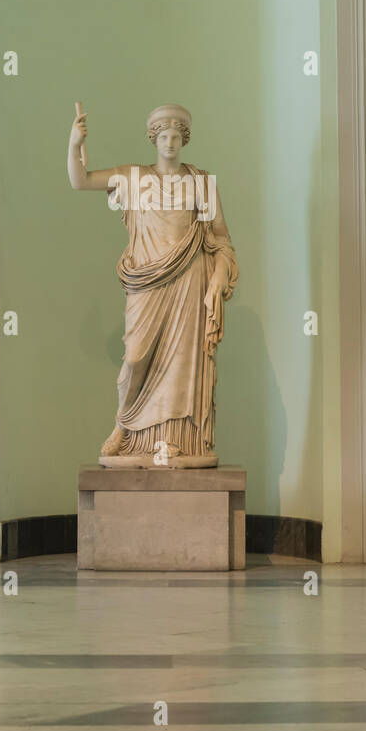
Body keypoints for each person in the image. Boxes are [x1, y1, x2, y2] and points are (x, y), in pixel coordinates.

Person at [67, 103, 238, 465]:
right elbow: (80, 180)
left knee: (181, 363)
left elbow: (221, 240)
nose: (170, 142)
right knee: (135, 357)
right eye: (163, 136)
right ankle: (124, 427)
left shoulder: (201, 183)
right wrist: (74, 144)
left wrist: (217, 279)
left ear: (184, 139)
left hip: (190, 282)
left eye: (176, 136)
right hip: (145, 285)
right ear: (154, 139)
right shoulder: (132, 178)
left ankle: (175, 441)